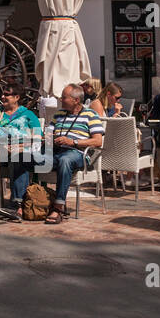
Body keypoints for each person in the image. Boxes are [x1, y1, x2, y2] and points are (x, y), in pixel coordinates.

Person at [43, 84, 104, 224]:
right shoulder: (59, 114)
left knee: (66, 160)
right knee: (23, 157)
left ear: (76, 100)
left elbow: (97, 141)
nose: (61, 100)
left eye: (64, 97)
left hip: (78, 153)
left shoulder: (90, 115)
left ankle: (58, 208)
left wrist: (73, 142)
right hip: (55, 150)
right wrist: (48, 138)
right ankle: (21, 202)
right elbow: (48, 134)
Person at [0, 86, 42, 207]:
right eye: (2, 94)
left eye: (7, 94)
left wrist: (20, 147)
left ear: (17, 97)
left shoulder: (28, 114)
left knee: (18, 158)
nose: (2, 96)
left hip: (23, 150)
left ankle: (17, 204)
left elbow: (38, 136)